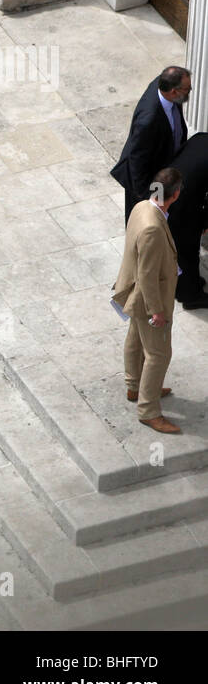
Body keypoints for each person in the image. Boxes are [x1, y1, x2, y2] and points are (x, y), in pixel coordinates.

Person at [112, 168, 183, 434]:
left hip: (132, 292)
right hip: (148, 298)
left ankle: (134, 385)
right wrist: (157, 311)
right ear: (174, 194)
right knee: (158, 354)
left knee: (135, 338)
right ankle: (149, 410)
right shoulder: (153, 227)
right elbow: (148, 275)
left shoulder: (142, 206)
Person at [111, 67, 192, 219]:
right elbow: (137, 161)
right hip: (150, 178)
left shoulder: (165, 87)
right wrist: (146, 199)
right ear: (173, 92)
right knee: (147, 222)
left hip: (165, 169)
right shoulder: (148, 121)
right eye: (187, 89)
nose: (190, 91)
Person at [165, 132, 208, 309]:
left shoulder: (201, 138)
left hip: (163, 192)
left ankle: (182, 283)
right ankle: (189, 296)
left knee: (176, 247)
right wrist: (205, 223)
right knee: (187, 251)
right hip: (181, 207)